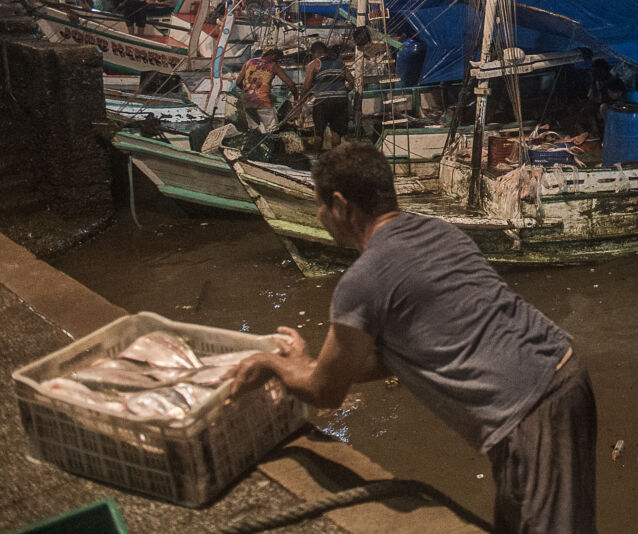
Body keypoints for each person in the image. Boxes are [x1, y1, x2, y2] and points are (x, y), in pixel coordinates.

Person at [233, 143, 597, 534]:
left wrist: (271, 364)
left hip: (532, 410)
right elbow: (399, 356)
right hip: (564, 375)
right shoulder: (441, 231)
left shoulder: (363, 279)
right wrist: (308, 365)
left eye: (319, 206)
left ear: (339, 205)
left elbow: (325, 392)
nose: (320, 217)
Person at [301, 41, 354, 152]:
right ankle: (335, 157)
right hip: (340, 101)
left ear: (314, 53)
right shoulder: (340, 63)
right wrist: (343, 92)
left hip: (323, 102)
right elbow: (351, 81)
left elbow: (306, 87)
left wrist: (301, 102)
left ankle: (318, 157)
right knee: (336, 132)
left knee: (319, 133)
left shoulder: (314, 64)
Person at [236, 46, 296, 133]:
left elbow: (238, 82)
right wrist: (296, 97)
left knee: (254, 130)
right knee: (273, 130)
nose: (278, 60)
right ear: (273, 55)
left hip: (247, 101)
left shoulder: (249, 62)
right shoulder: (273, 65)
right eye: (278, 57)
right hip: (262, 101)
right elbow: (290, 84)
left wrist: (247, 92)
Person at [351, 26, 391, 140]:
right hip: (373, 93)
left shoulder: (366, 56)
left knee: (375, 124)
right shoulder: (363, 57)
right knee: (375, 124)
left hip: (373, 93)